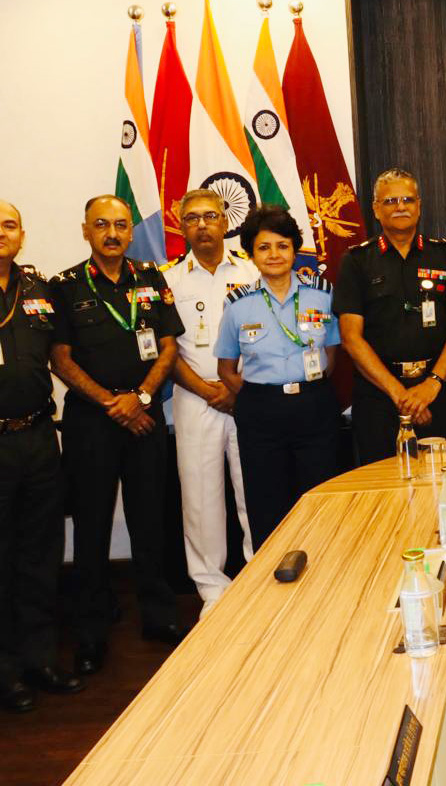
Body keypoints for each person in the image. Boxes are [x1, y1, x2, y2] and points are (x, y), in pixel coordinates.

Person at [50, 195, 186, 675]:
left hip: (145, 416)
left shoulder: (151, 278)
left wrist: (141, 398)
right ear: (86, 231)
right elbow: (60, 359)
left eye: (121, 225)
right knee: (92, 526)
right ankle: (90, 630)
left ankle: (159, 616)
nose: (112, 233)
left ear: (131, 231)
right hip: (92, 423)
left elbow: (168, 347)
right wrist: (114, 404)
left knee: (151, 519)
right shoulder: (64, 286)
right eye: (102, 225)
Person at [214, 206, 341, 548]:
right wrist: (258, 396)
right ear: (251, 254)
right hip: (261, 413)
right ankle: (271, 574)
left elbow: (332, 354)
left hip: (314, 407)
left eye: (282, 246)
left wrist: (308, 386)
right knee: (266, 505)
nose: (274, 254)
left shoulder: (322, 294)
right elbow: (225, 368)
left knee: (320, 499)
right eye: (264, 247)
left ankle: (324, 567)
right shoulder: (238, 304)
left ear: (294, 250)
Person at [0, 200, 84, 712]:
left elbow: (61, 355)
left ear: (22, 235)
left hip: (36, 437)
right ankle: (5, 668)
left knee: (40, 551)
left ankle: (39, 657)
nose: (1, 233)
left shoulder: (38, 290)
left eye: (9, 225)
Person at [162, 190, 258, 617]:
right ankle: (212, 591)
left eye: (210, 216)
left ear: (225, 221)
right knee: (200, 498)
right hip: (194, 397)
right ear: (181, 226)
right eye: (192, 218)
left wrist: (235, 389)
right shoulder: (168, 279)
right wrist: (208, 390)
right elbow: (165, 350)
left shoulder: (252, 270)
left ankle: (260, 577)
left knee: (254, 488)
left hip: (247, 395)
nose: (202, 225)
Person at [335, 168, 446, 462]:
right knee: (382, 482)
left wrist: (431, 384)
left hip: (437, 391)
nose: (400, 206)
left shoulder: (444, 255)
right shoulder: (357, 261)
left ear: (419, 206)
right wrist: (402, 396)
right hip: (379, 397)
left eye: (408, 199)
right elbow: (350, 338)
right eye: (390, 201)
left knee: (443, 476)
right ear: (376, 209)